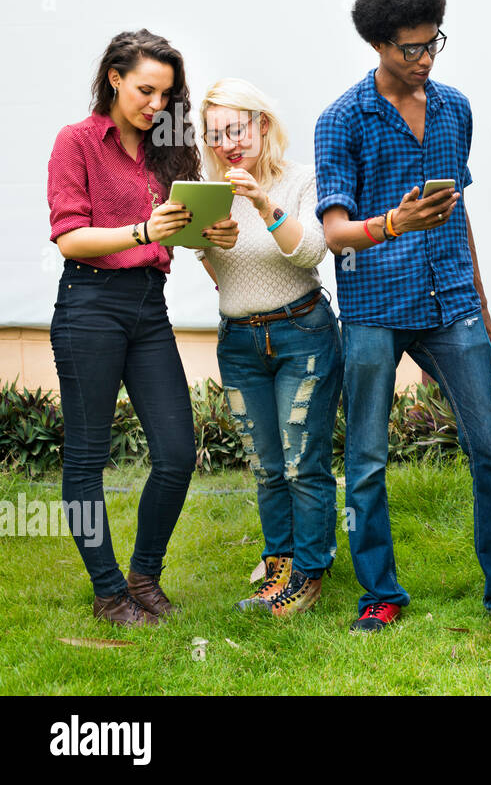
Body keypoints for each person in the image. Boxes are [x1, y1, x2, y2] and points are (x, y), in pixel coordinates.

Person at [315, 0, 491, 634]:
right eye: (410, 48)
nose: (425, 59)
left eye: (433, 43)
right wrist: (395, 223)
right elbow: (334, 232)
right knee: (365, 460)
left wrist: (479, 296)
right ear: (379, 44)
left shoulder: (455, 108)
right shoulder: (341, 120)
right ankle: (379, 594)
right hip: (373, 306)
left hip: (452, 303)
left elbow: (458, 208)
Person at [46, 29, 238, 626]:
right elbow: (70, 237)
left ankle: (143, 577)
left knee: (178, 451)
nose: (157, 105)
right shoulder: (76, 142)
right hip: (89, 303)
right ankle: (108, 594)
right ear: (114, 79)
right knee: (85, 458)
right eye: (146, 91)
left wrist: (212, 235)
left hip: (147, 308)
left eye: (166, 95)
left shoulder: (167, 149)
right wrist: (142, 232)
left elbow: (176, 231)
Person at [197, 78, 343, 617]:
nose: (228, 144)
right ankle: (278, 564)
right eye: (216, 135)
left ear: (262, 125)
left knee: (303, 461)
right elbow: (222, 276)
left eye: (236, 129)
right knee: (265, 463)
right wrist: (208, 245)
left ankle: (307, 573)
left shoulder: (302, 180)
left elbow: (310, 254)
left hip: (300, 333)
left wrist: (263, 205)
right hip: (238, 341)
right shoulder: (212, 192)